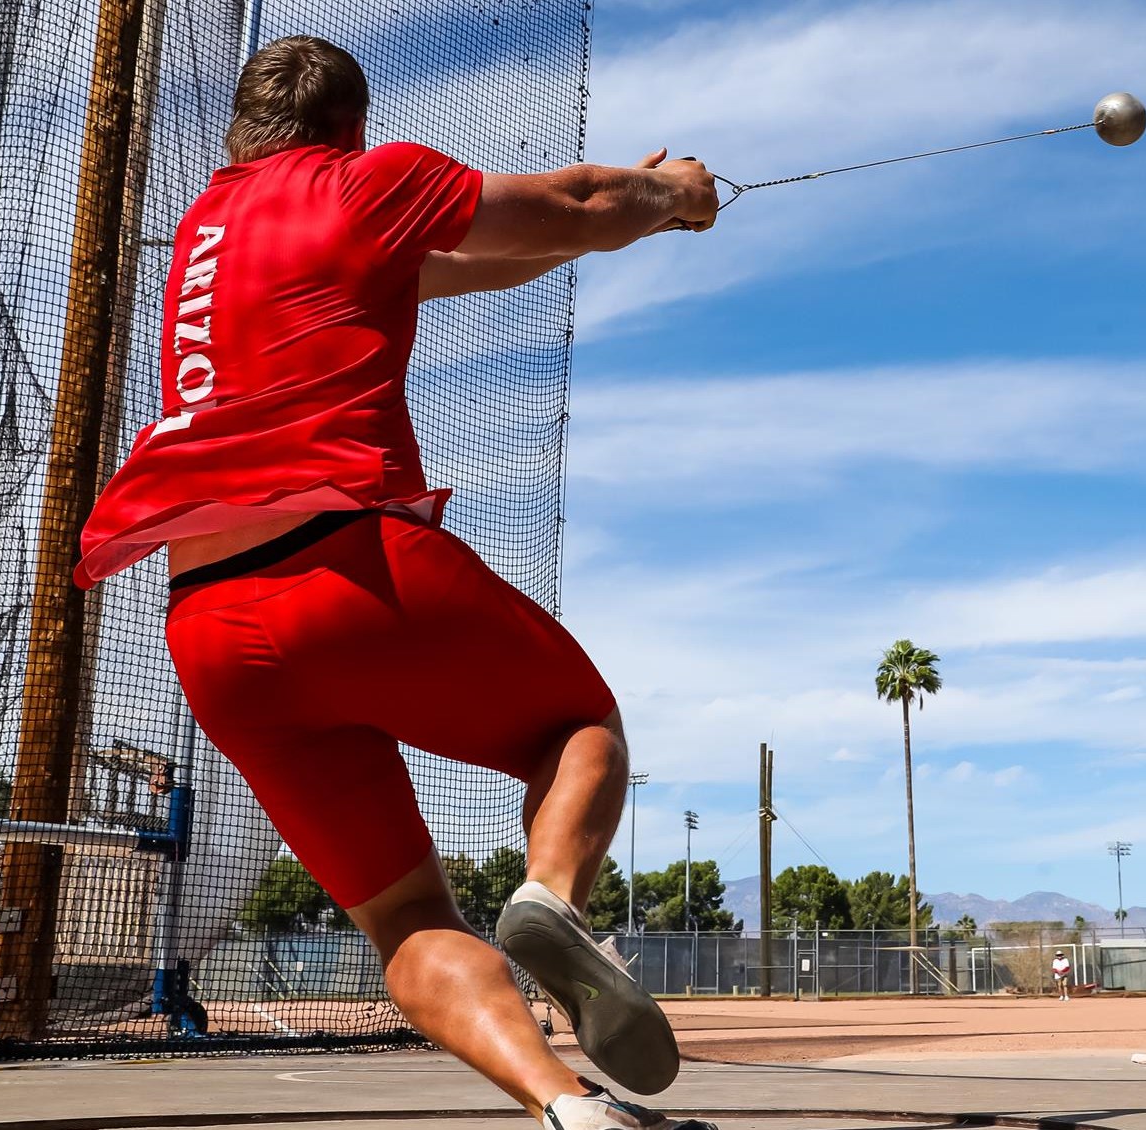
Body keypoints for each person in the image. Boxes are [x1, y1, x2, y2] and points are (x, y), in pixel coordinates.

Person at [74, 36, 720, 1130]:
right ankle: (551, 900)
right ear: (352, 128)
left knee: (408, 919)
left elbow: (474, 258)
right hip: (345, 567)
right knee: (580, 728)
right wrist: (672, 197)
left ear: (242, 134)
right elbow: (572, 201)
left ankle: (569, 1110)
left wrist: (617, 227)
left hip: (211, 629)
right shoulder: (363, 182)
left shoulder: (204, 232)